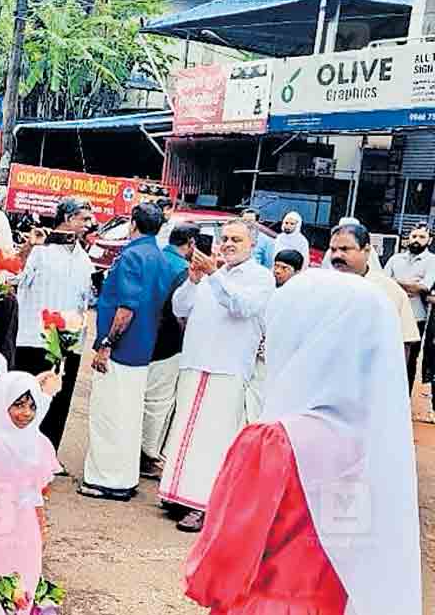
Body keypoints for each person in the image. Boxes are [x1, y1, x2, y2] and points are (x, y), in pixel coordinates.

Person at [184, 270, 423, 615]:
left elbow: (227, 556)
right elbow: (350, 542)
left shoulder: (272, 443)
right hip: (330, 603)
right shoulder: (369, 444)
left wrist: (207, 584)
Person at [159, 220, 274, 533]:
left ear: (252, 245)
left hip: (228, 367)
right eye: (225, 238)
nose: (228, 244)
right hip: (196, 362)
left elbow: (241, 307)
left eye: (236, 239)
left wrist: (211, 277)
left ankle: (203, 504)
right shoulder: (215, 275)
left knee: (214, 440)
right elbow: (180, 308)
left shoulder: (261, 278)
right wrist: (193, 282)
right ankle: (176, 493)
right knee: (185, 432)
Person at [78, 203, 172, 502]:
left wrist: (106, 343)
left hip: (121, 349)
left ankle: (107, 481)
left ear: (133, 223)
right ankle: (124, 478)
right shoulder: (160, 257)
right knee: (129, 417)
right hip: (142, 349)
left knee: (109, 417)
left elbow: (126, 308)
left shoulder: (132, 255)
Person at [0, 370, 63, 599]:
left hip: (25, 525)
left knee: (25, 580)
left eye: (32, 406)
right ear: (3, 403)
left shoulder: (37, 442)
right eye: (18, 405)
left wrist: (41, 527)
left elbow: (35, 492)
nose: (26, 414)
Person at [10, 198, 96, 452]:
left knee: (59, 399)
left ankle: (47, 455)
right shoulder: (41, 249)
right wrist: (28, 246)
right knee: (27, 397)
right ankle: (16, 450)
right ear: (68, 219)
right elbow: (14, 276)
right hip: (34, 338)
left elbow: (87, 298)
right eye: (84, 219)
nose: (89, 224)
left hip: (69, 342)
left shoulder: (83, 258)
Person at [139, 221, 197, 480]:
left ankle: (139, 451)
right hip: (168, 345)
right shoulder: (184, 270)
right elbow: (181, 316)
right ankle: (148, 456)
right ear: (192, 245)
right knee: (158, 403)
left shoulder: (155, 258)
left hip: (142, 341)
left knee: (143, 398)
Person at [328, 223, 420, 353]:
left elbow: (404, 341)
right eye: (333, 250)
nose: (337, 255)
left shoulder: (389, 290)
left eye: (345, 249)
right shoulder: (323, 286)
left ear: (366, 251)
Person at [384, 225, 435, 391]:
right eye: (414, 236)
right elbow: (383, 284)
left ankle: (404, 401)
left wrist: (396, 284)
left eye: (421, 237)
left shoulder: (432, 261)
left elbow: (424, 287)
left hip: (416, 317)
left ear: (430, 240)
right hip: (391, 315)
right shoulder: (395, 259)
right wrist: (412, 284)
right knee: (386, 358)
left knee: (409, 361)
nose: (416, 240)